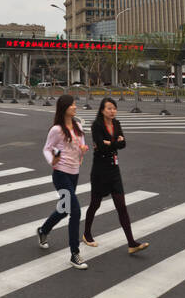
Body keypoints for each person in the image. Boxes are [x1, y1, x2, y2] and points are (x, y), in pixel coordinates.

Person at [84, 97, 148, 254]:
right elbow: (101, 145)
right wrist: (114, 142)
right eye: (109, 108)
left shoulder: (117, 124)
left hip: (114, 170)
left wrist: (109, 143)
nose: (112, 111)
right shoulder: (96, 125)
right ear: (102, 110)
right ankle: (86, 233)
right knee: (95, 204)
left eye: (114, 108)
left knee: (122, 207)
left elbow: (123, 144)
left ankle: (131, 243)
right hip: (100, 170)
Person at [36, 94, 90, 269]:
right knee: (75, 211)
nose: (75, 107)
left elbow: (81, 148)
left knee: (64, 209)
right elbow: (47, 149)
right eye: (73, 105)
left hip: (74, 174)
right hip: (61, 175)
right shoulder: (57, 130)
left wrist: (83, 150)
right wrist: (52, 160)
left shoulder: (78, 126)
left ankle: (43, 230)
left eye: (75, 104)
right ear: (64, 107)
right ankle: (75, 254)